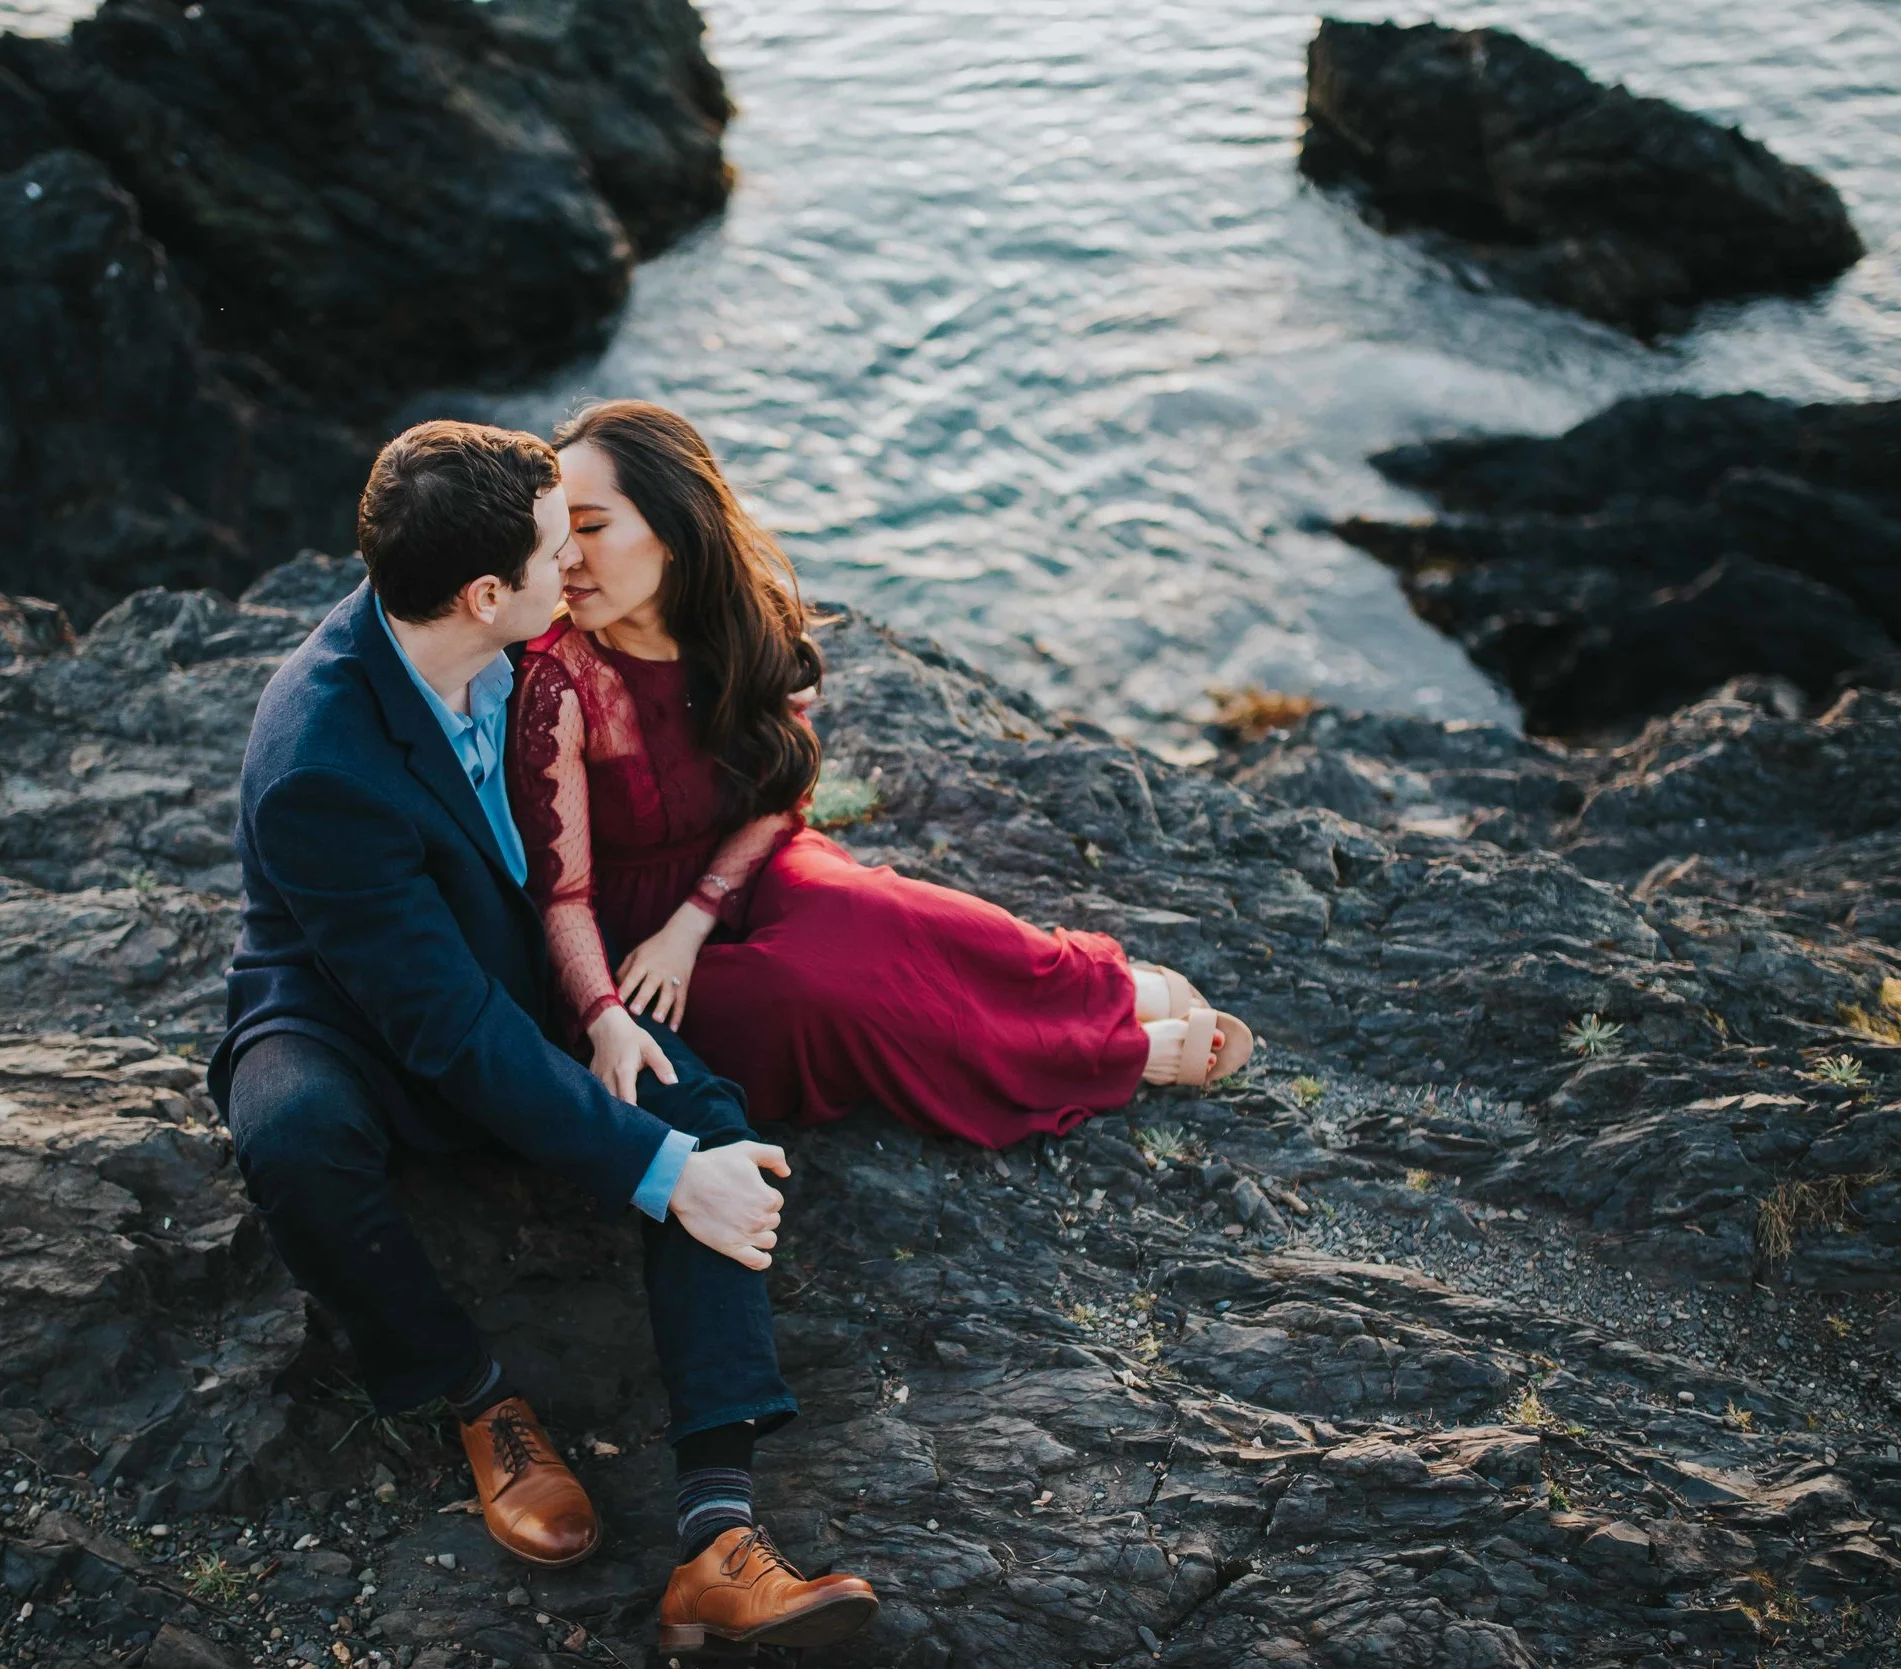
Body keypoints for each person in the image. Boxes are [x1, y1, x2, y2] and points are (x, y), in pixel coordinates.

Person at [208, 420, 877, 1654]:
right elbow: (447, 1029)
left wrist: (622, 1022)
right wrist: (658, 1176)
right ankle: (476, 1396)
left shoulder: (504, 643)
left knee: (704, 1116)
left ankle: (719, 1538)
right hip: (351, 1019)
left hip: (517, 980)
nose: (573, 560)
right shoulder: (323, 761)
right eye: (553, 543)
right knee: (294, 1135)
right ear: (484, 593)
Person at [508, 400, 1253, 1146]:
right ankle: (1103, 1056)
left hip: (739, 870)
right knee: (806, 990)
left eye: (592, 526)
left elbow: (778, 791)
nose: (566, 559)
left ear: (674, 528)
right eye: (556, 533)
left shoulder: (730, 625)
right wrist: (611, 1006)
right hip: (629, 955)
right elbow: (561, 894)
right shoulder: (562, 684)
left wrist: (698, 913)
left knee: (872, 913)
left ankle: (1097, 986)